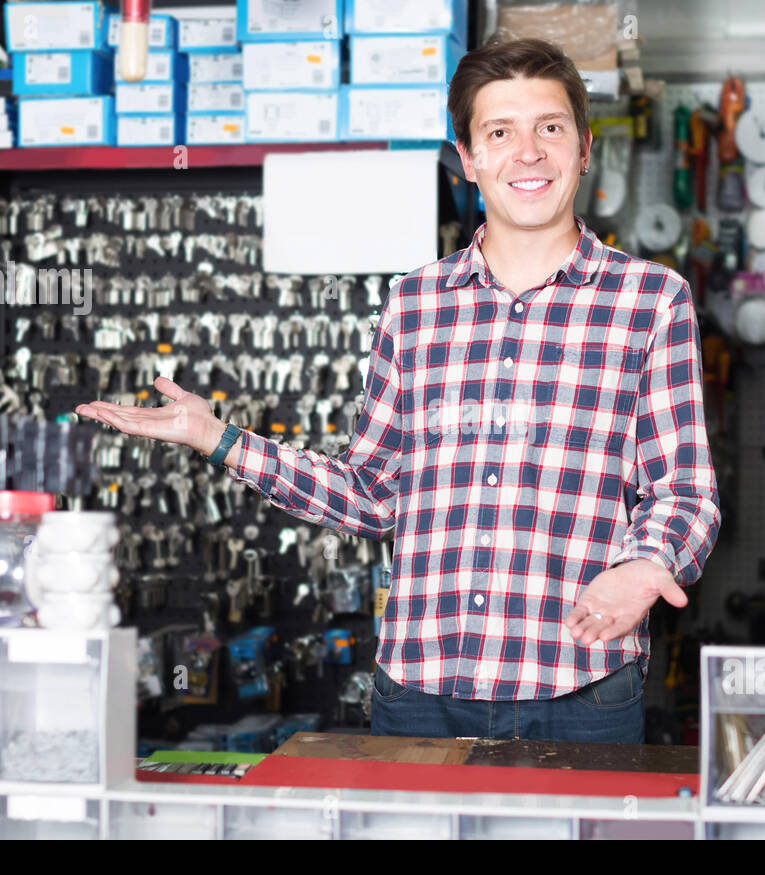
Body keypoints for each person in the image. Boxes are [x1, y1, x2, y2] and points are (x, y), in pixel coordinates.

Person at [76, 38, 720, 745]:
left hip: (579, 686)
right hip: (420, 690)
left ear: (584, 147)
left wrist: (646, 565)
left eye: (551, 127)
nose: (528, 153)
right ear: (469, 159)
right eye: (499, 132)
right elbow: (372, 491)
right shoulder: (414, 304)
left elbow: (683, 490)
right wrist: (218, 438)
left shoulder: (652, 300)